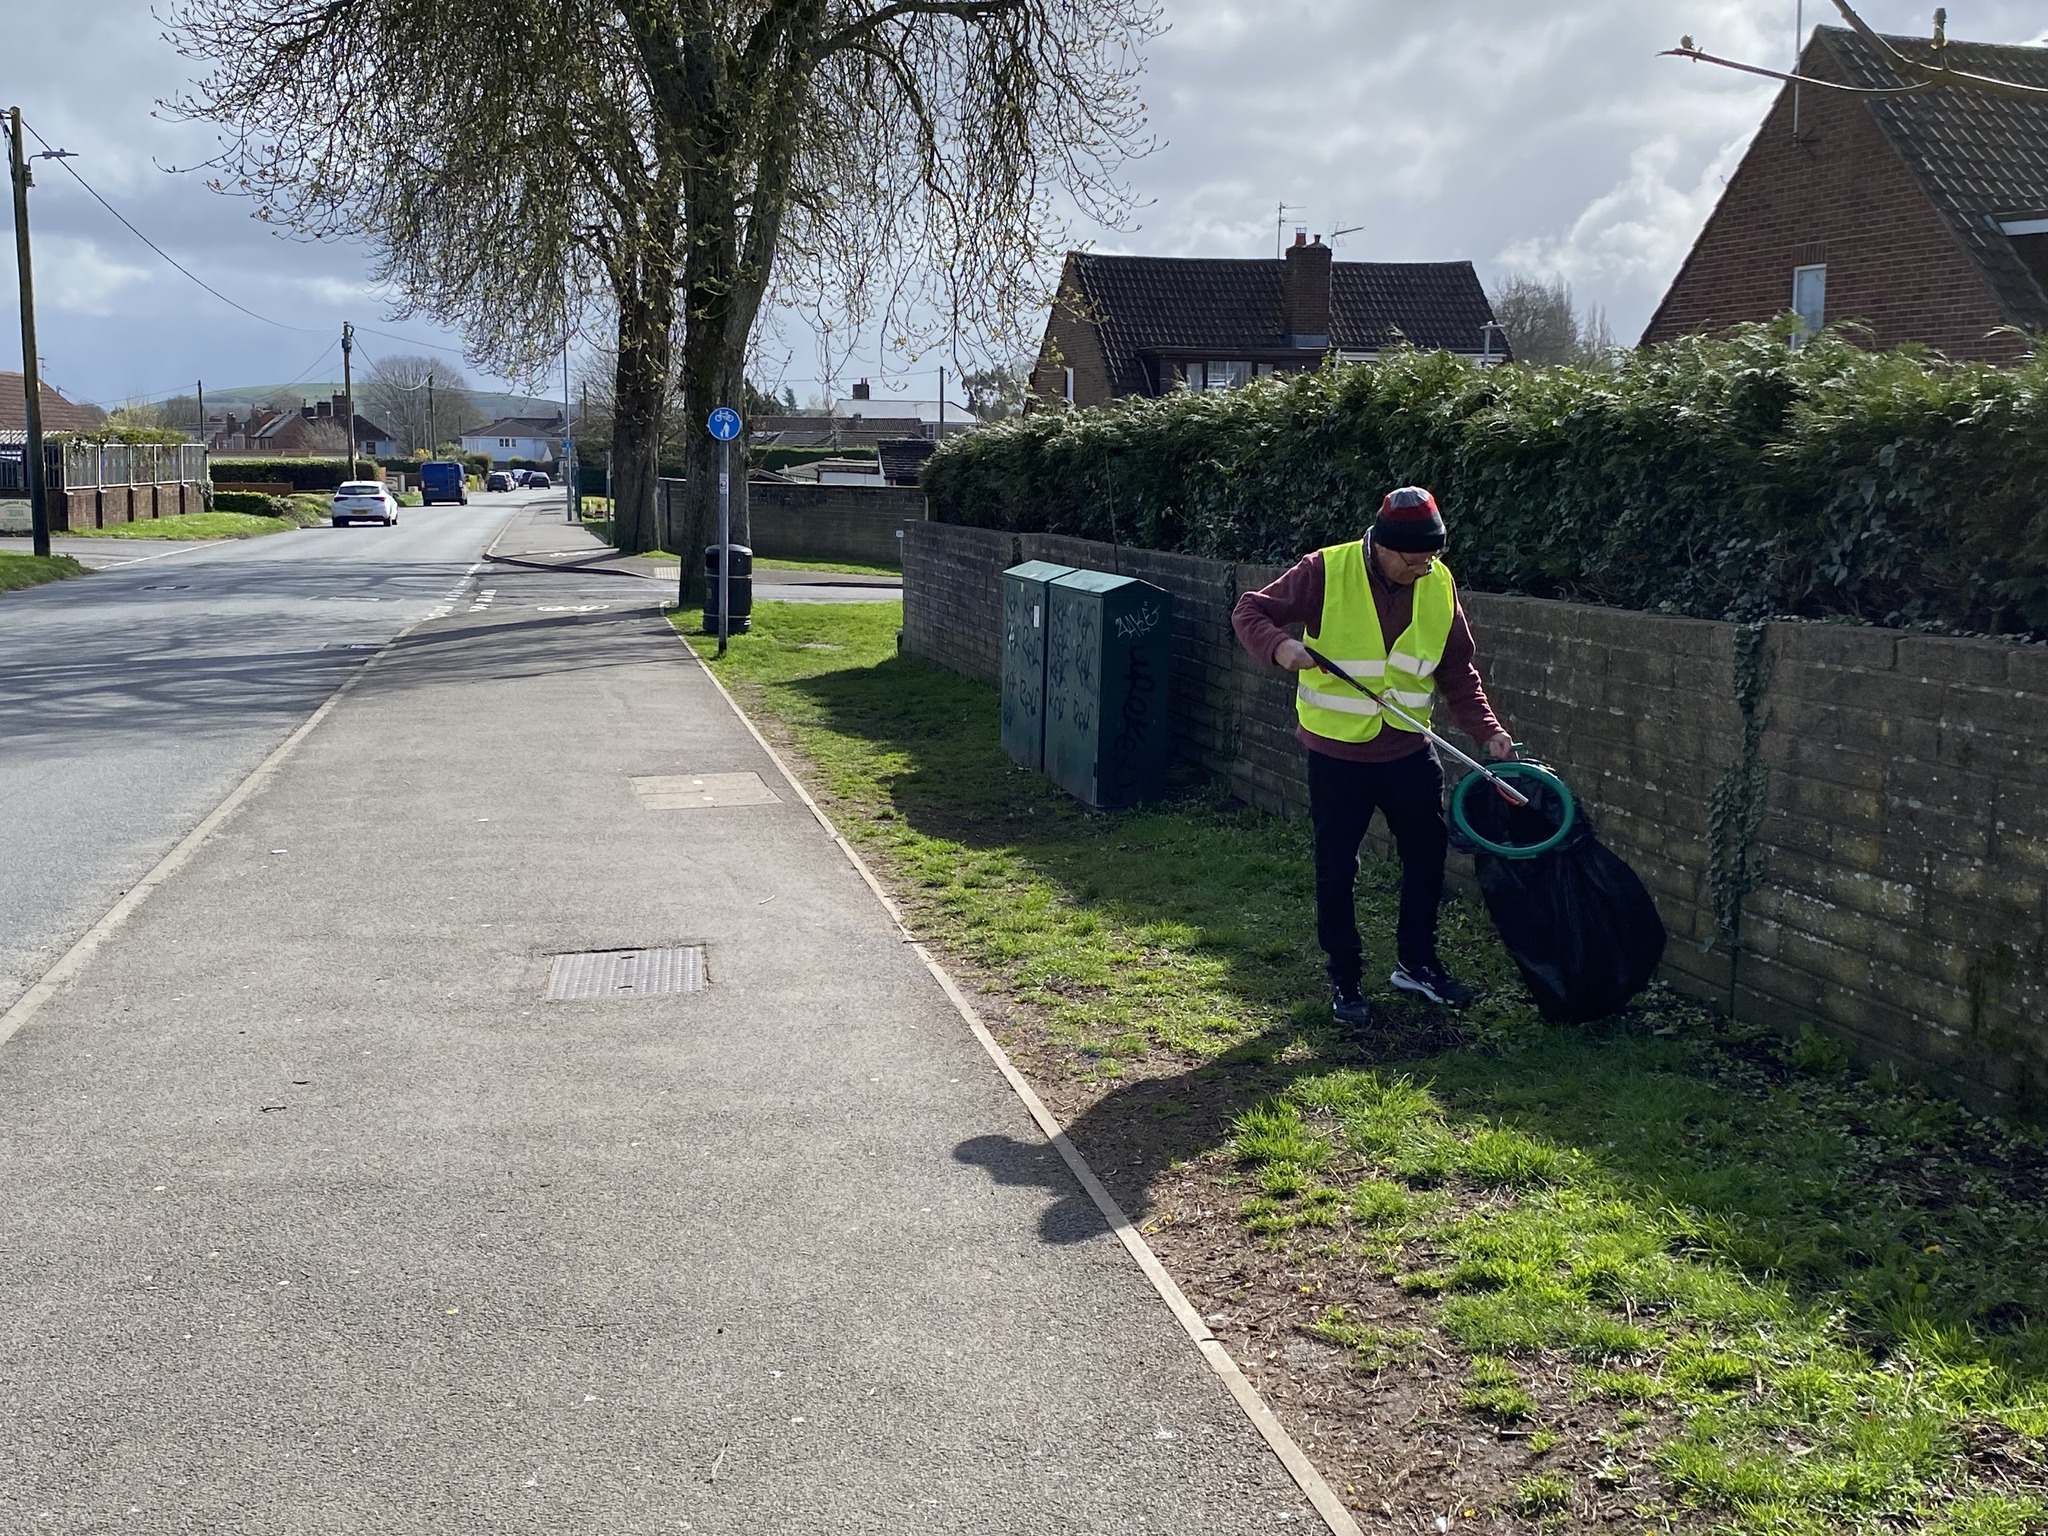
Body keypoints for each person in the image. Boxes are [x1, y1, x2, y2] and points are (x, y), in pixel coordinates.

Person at [1231, 486, 1513, 1028]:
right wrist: (1279, 647)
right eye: (1414, 556)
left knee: (1428, 858)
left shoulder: (1438, 581)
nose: (1424, 565)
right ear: (1382, 545)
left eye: (1433, 554)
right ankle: (1345, 977)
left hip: (1409, 749)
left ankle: (1417, 964)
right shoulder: (1325, 570)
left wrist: (1488, 732)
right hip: (1337, 755)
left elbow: (1457, 670)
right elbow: (1251, 610)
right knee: (1336, 869)